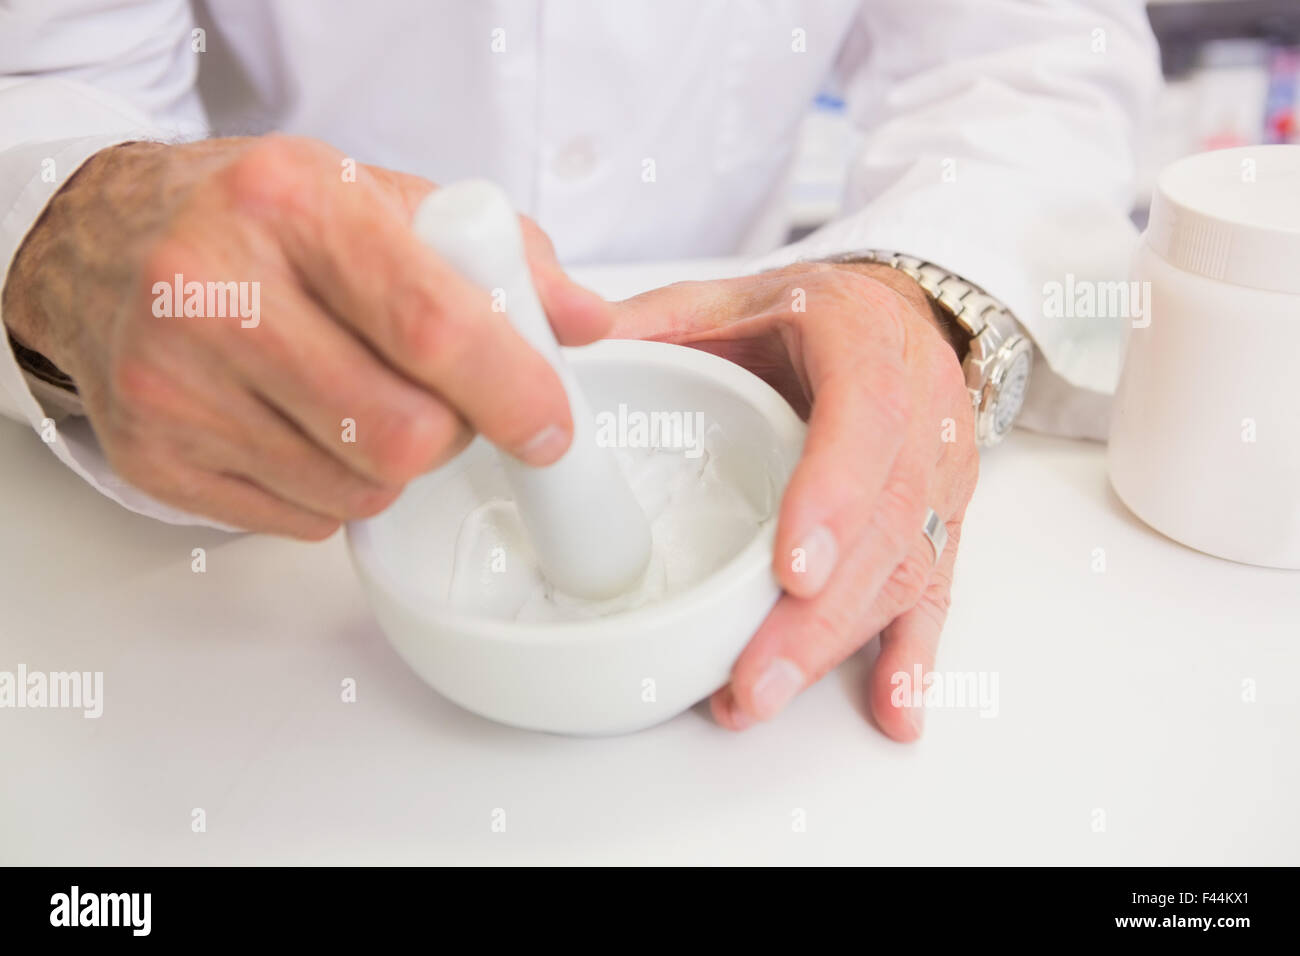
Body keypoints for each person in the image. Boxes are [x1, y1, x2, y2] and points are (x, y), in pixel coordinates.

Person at [0, 0, 1160, 739]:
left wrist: (918, 290)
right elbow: (40, 71)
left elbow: (1033, 53)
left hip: (763, 347)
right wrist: (70, 221)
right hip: (252, 473)